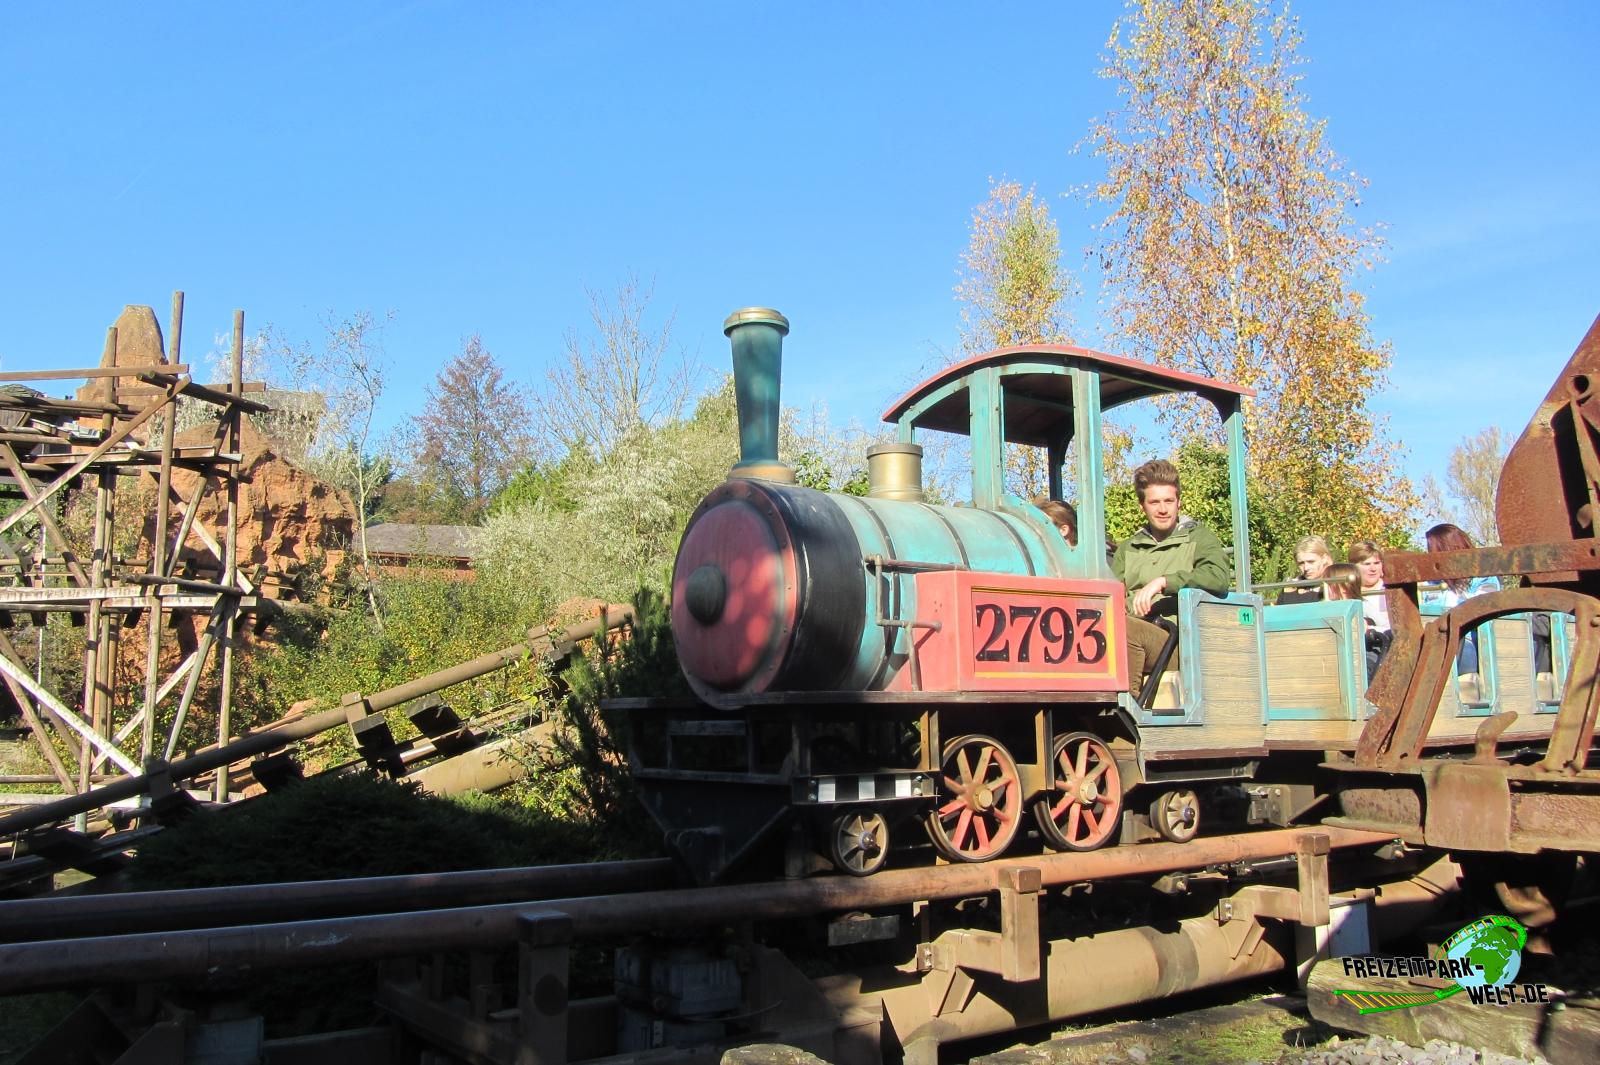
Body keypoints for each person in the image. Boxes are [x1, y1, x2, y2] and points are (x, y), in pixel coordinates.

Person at [1112, 459, 1231, 696]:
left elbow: (1218, 577)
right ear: (1142, 506)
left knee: (1125, 630)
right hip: (1133, 630)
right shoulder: (1128, 548)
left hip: (1176, 643)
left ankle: (1126, 716)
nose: (1163, 509)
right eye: (1154, 502)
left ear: (1179, 502)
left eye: (1169, 501)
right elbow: (1111, 593)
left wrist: (1165, 581)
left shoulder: (1199, 538)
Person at [1422, 522, 1500, 676]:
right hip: (1435, 641)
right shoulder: (1431, 582)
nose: (1430, 555)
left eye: (1434, 550)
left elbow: (1480, 608)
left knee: (1463, 656)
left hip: (1471, 641)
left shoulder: (1483, 577)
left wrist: (1453, 595)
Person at [1325, 561, 1389, 676]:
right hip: (1337, 653)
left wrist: (1369, 628)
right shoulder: (1326, 608)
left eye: (1328, 585)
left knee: (1365, 669)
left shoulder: (1362, 605)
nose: (1326, 589)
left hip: (1362, 652)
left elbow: (1386, 628)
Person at [1347, 540, 1390, 633]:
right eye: (1367, 564)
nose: (1373, 569)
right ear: (1353, 567)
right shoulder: (1345, 592)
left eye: (1377, 563)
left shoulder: (1392, 591)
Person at [1277, 535, 1334, 605]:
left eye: (1311, 562)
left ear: (1324, 558)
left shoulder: (1338, 585)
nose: (1306, 568)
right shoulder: (1290, 589)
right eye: (1301, 563)